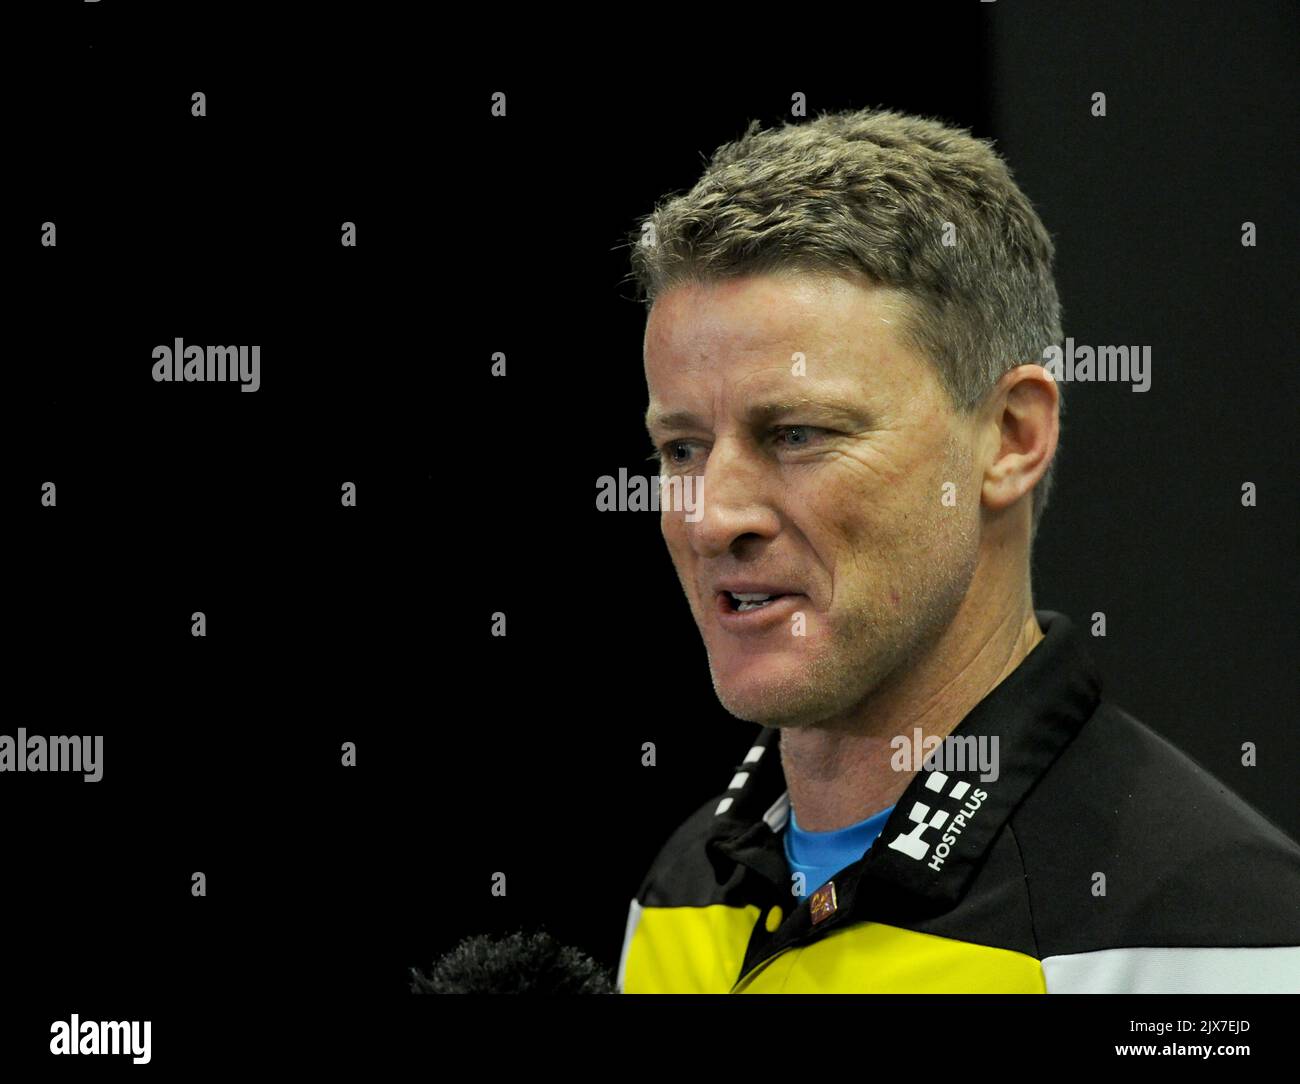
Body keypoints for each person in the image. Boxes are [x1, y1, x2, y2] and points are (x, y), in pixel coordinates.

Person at [616, 107, 1300, 993]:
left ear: (1012, 437)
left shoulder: (1216, 943)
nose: (711, 517)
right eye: (682, 449)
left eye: (796, 435)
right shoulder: (682, 887)